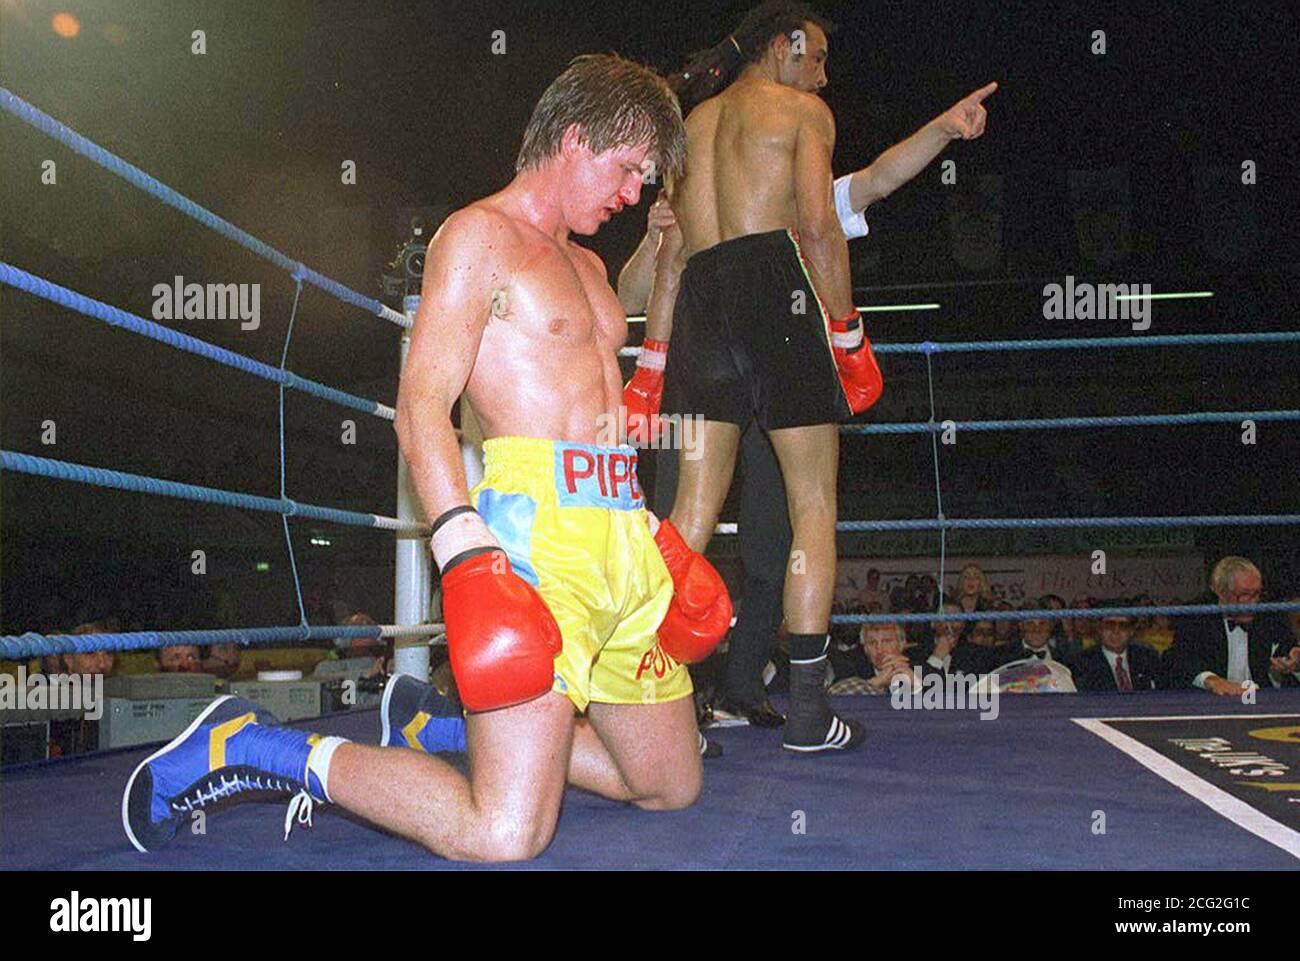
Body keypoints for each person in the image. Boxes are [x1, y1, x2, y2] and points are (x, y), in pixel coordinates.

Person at [123, 54, 732, 862]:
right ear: (577, 139)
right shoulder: (478, 237)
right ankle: (254, 746)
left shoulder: (589, 267)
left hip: (620, 533)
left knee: (669, 784)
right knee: (506, 832)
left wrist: (644, 526)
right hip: (539, 541)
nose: (631, 193)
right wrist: (463, 547)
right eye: (627, 169)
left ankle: (437, 724)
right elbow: (421, 408)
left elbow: (597, 403)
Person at [621, 0, 995, 749]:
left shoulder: (689, 128)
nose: (824, 77)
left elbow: (674, 261)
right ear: (786, 46)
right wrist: (847, 330)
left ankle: (657, 703)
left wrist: (652, 363)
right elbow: (820, 226)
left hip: (703, 301)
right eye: (817, 57)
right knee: (815, 504)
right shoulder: (800, 114)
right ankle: (806, 712)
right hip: (776, 291)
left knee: (688, 515)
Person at [1164, 556, 1299, 694]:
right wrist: (1212, 680)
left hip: (1261, 699)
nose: (1253, 602)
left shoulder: (1269, 612)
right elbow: (1177, 659)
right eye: (1244, 594)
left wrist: (1294, 661)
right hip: (1212, 701)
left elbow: (1287, 648)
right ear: (1221, 592)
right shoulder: (1197, 614)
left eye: (1257, 593)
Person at [1067, 608, 1160, 692]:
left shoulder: (1147, 658)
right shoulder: (1081, 663)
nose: (1116, 631)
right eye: (1109, 625)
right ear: (1099, 629)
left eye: (1123, 626)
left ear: (1131, 631)